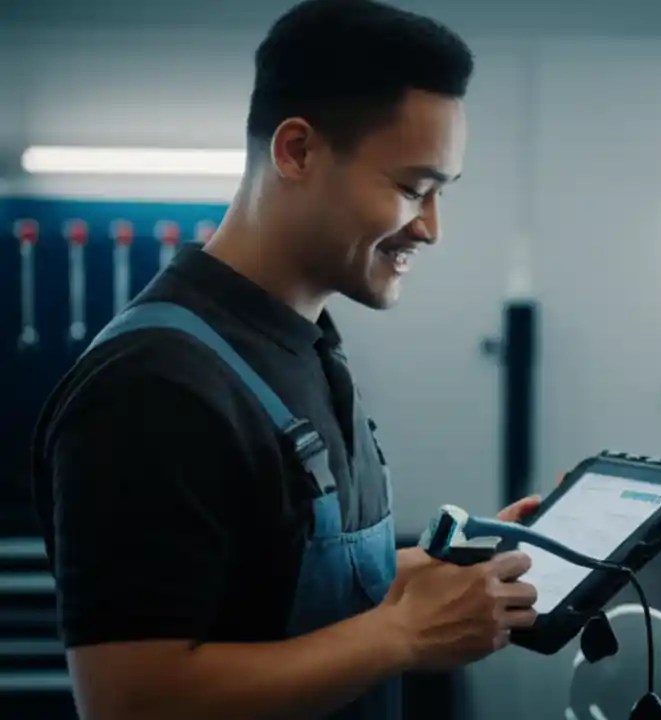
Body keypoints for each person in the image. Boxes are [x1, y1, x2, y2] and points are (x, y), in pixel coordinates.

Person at [28, 1, 540, 718]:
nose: (430, 229)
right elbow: (132, 702)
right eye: (412, 189)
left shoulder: (308, 349)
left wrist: (454, 571)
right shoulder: (153, 387)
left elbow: (278, 589)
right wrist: (402, 635)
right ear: (296, 151)